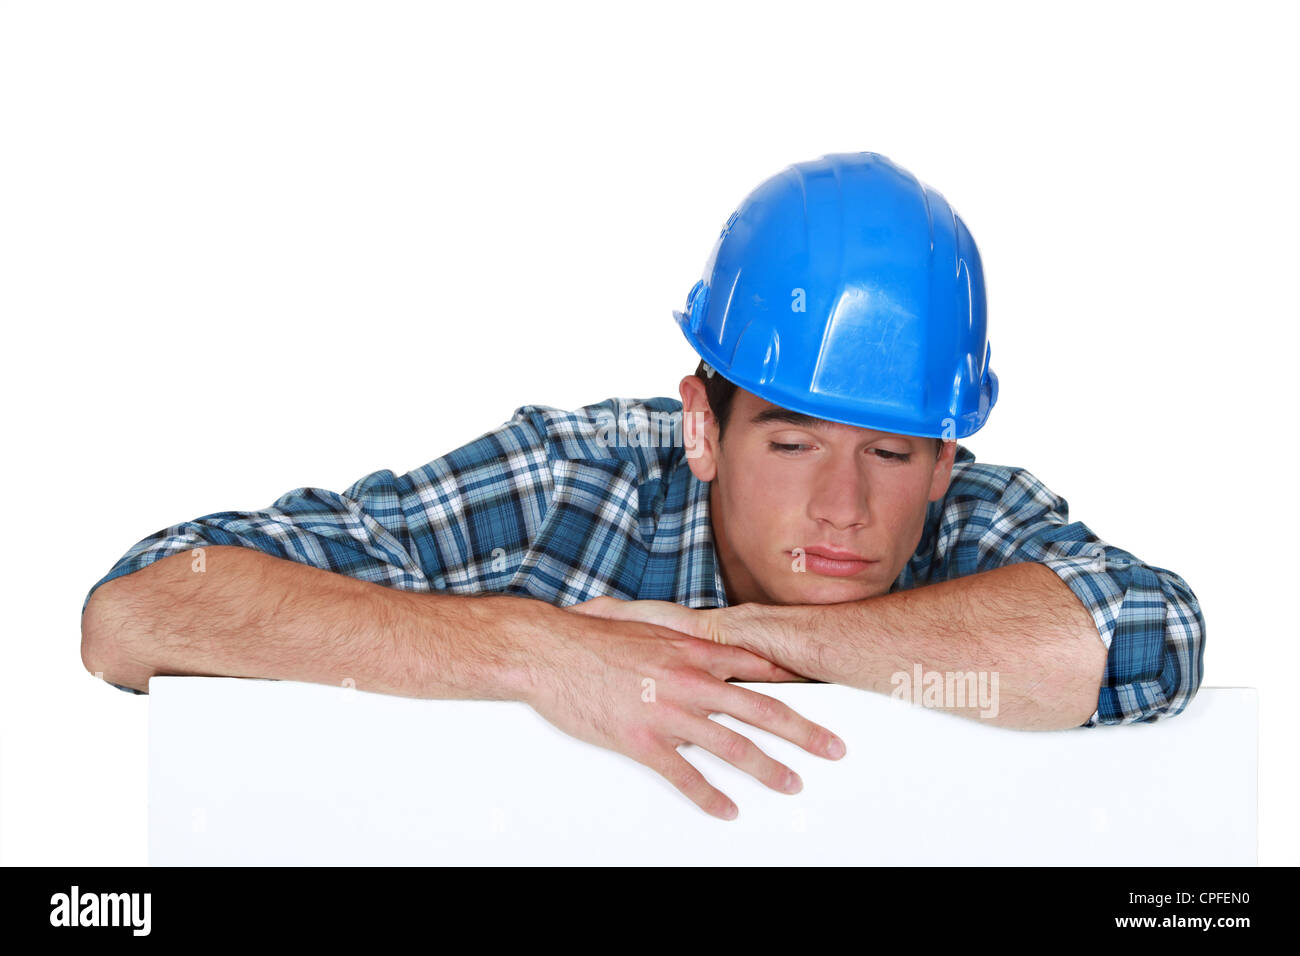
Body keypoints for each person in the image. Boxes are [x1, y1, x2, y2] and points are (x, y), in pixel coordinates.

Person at [80, 152, 1205, 821]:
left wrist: (738, 636)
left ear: (944, 459)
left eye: (892, 451)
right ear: (700, 425)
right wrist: (537, 648)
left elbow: (1150, 631)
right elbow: (139, 608)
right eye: (790, 442)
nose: (846, 507)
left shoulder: (975, 518)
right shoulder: (571, 480)